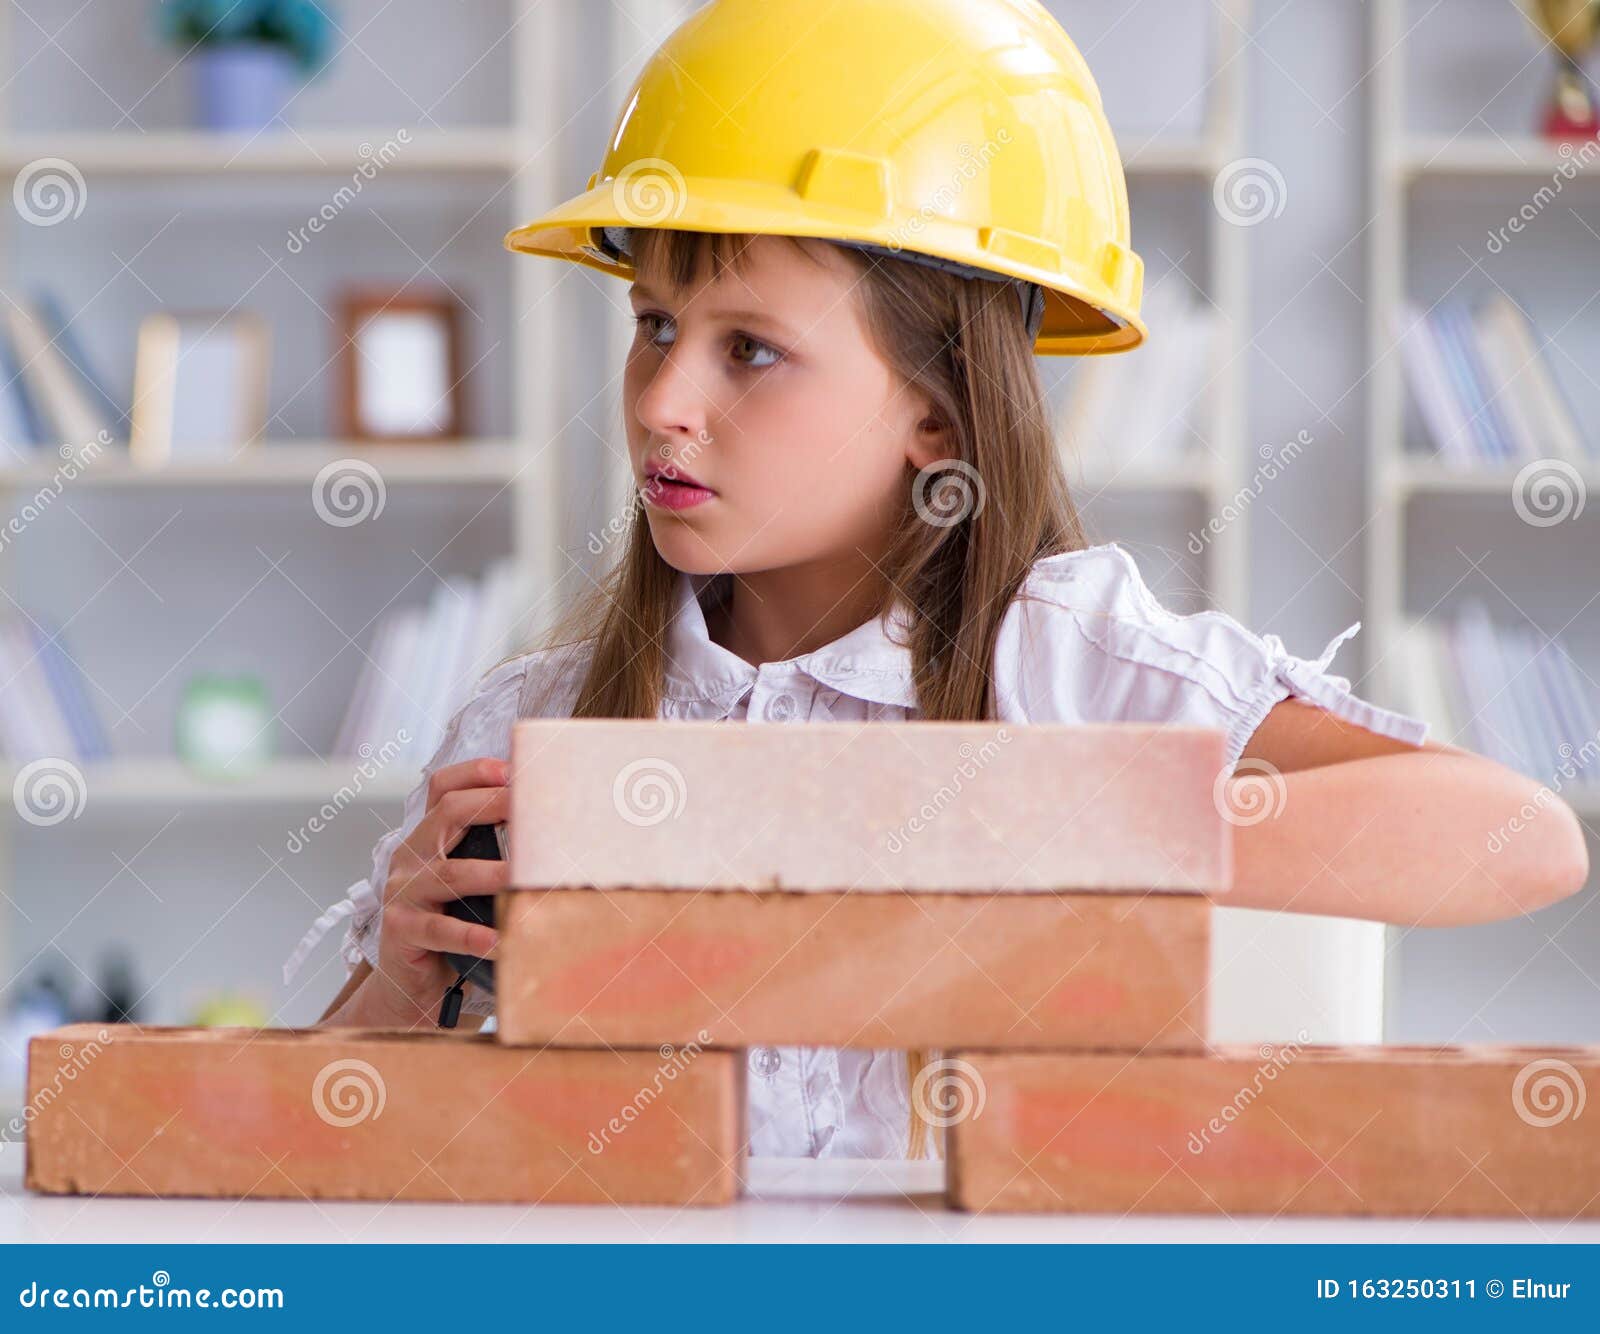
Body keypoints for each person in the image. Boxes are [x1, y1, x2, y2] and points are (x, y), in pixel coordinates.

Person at [283, 0, 1589, 1160]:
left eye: (751, 350)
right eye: (657, 327)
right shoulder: (545, 721)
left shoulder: (1069, 662)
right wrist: (399, 988)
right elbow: (318, 1154)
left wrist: (1046, 823)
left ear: (944, 418)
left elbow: (1518, 837)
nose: (663, 402)